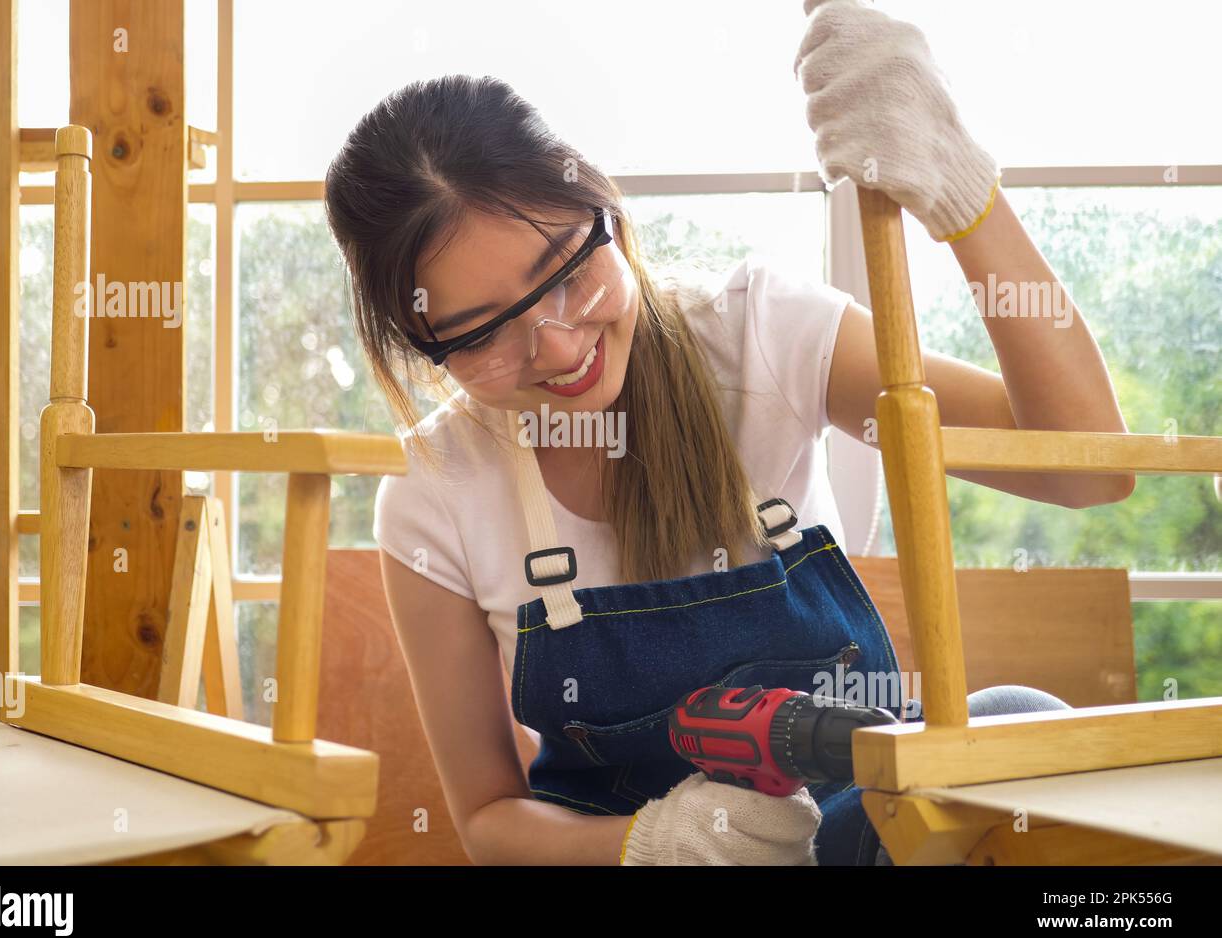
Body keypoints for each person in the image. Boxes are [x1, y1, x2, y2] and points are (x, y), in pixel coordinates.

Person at [323, 0, 1133, 865]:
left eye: (563, 268)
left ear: (604, 209)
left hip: (861, 829)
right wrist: (651, 844)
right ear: (421, 344)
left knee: (1021, 727)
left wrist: (959, 189)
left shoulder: (762, 338)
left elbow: (1084, 469)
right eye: (481, 331)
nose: (558, 346)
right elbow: (488, 819)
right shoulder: (434, 492)